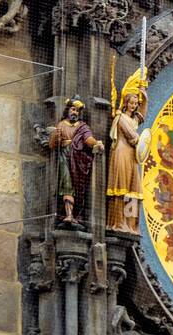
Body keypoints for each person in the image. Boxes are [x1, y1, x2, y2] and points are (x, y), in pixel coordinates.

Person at [49, 99, 103, 227]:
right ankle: (68, 214)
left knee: (78, 188)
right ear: (67, 110)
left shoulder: (82, 126)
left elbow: (88, 139)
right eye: (73, 109)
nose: (75, 112)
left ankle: (76, 214)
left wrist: (97, 143)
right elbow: (52, 145)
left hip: (78, 161)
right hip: (64, 159)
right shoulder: (61, 125)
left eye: (78, 110)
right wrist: (55, 136)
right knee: (67, 185)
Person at [106, 70, 147, 234]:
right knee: (121, 188)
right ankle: (118, 222)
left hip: (131, 156)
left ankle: (130, 225)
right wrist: (142, 140)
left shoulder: (132, 119)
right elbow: (133, 137)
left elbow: (142, 115)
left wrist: (145, 97)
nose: (134, 105)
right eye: (131, 102)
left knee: (133, 189)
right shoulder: (121, 118)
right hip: (122, 154)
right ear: (125, 102)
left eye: (136, 103)